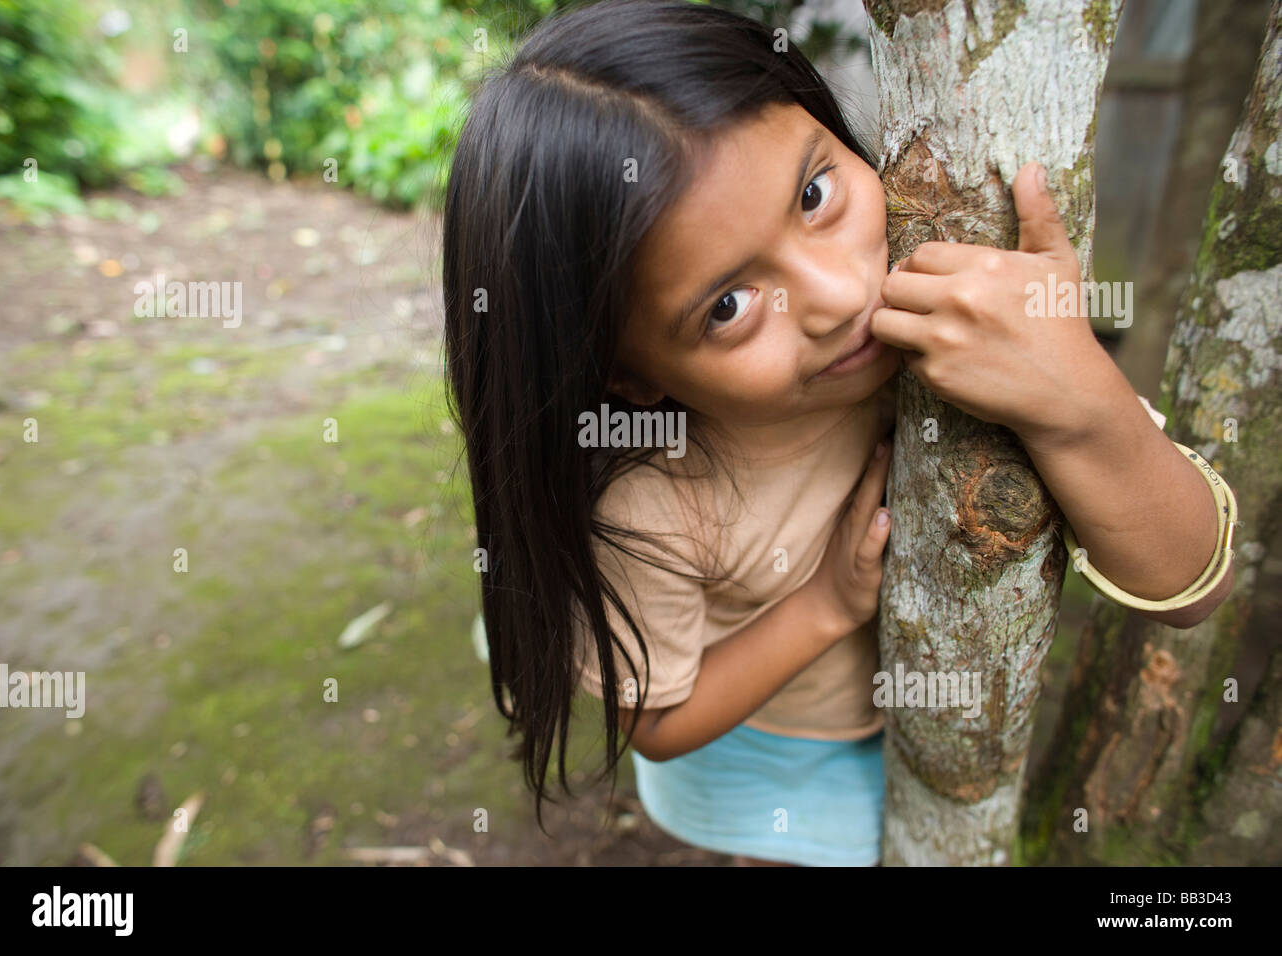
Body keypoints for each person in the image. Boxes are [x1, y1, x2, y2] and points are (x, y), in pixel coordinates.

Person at [441, 0, 1237, 866]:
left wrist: (1074, 389)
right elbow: (658, 725)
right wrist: (825, 603)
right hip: (774, 758)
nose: (834, 297)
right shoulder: (646, 505)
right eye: (728, 306)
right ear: (624, 376)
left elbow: (1194, 588)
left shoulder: (960, 319)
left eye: (814, 194)